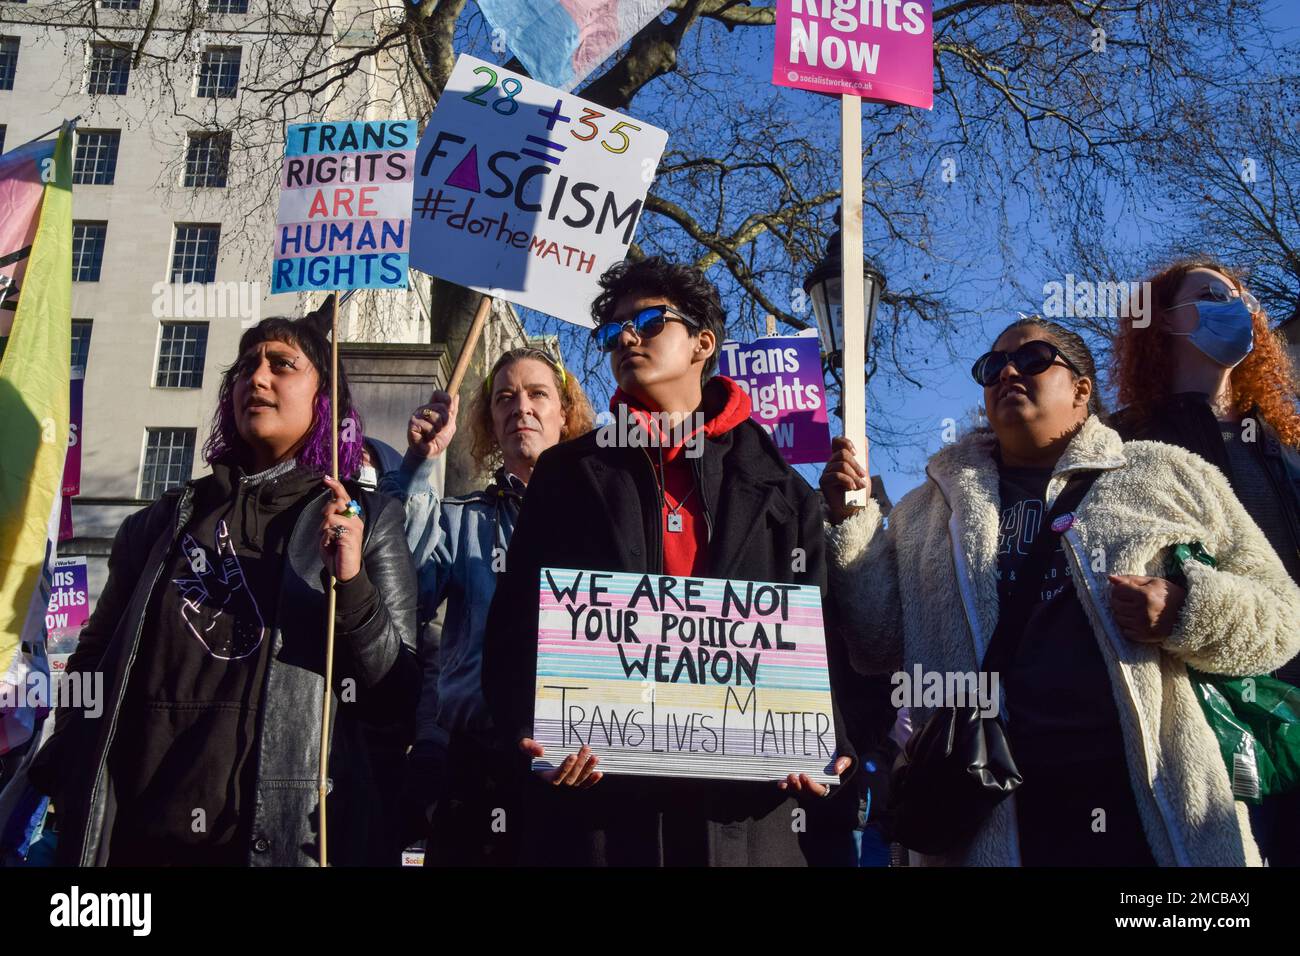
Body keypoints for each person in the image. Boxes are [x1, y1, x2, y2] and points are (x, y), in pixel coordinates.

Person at [821, 315, 1300, 866]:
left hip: (1159, 815)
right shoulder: (926, 511)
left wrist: (1188, 609)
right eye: (991, 365)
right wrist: (850, 522)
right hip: (987, 817)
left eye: (1031, 360)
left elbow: (1283, 616)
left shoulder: (1168, 475)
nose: (1006, 371)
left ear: (1081, 388)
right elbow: (876, 646)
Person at [482, 256, 857, 867]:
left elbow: (823, 637)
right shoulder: (568, 475)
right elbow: (515, 627)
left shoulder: (786, 493)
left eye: (650, 321)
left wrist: (827, 741)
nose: (627, 337)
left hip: (743, 816)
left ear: (703, 343)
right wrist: (532, 733)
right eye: (613, 330)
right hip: (602, 809)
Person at [28, 303, 419, 866]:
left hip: (279, 845)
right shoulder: (159, 523)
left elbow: (395, 695)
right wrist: (69, 766)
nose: (256, 377)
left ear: (323, 401)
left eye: (283, 364)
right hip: (135, 845)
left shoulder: (368, 519)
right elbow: (94, 657)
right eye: (245, 366)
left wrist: (351, 582)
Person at [1111, 258, 1300, 864]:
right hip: (1209, 709)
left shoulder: (1285, 445)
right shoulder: (1125, 443)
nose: (1235, 305)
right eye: (1213, 294)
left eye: (1242, 296)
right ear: (1163, 320)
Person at [382, 345, 594, 865]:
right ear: (490, 421)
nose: (520, 406)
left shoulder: (605, 515)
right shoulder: (461, 519)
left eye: (537, 393)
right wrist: (417, 465)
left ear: (563, 413)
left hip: (580, 762)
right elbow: (402, 590)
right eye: (504, 397)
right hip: (477, 768)